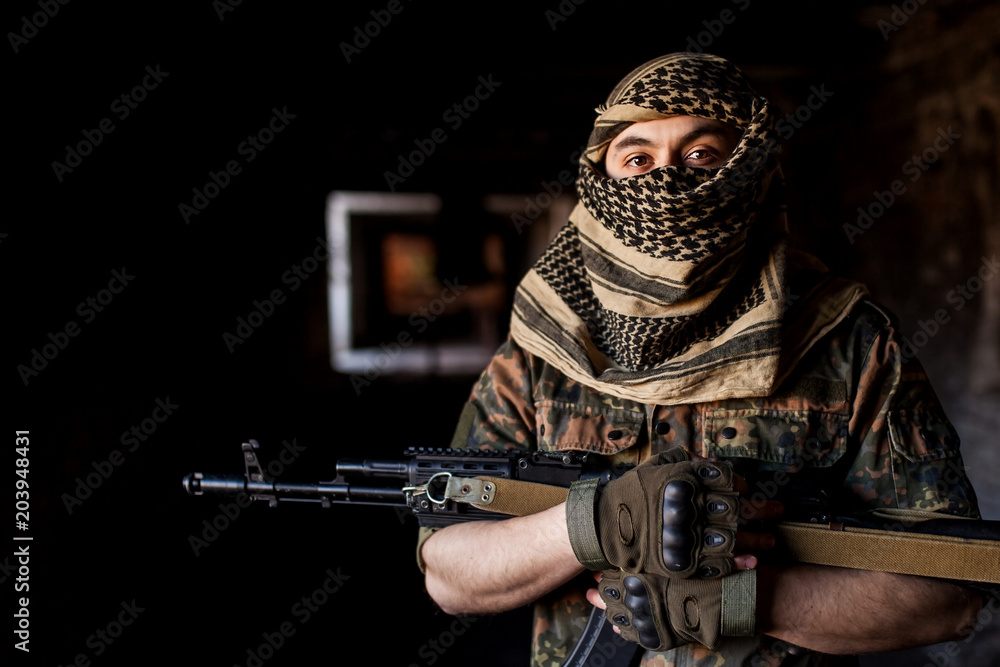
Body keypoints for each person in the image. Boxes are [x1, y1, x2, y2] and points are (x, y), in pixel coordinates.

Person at [416, 52, 985, 666]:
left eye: (701, 156)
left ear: (752, 172)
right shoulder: (543, 348)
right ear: (600, 180)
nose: (665, 182)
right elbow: (450, 576)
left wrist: (739, 602)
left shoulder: (849, 342)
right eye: (637, 159)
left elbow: (949, 593)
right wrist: (590, 525)